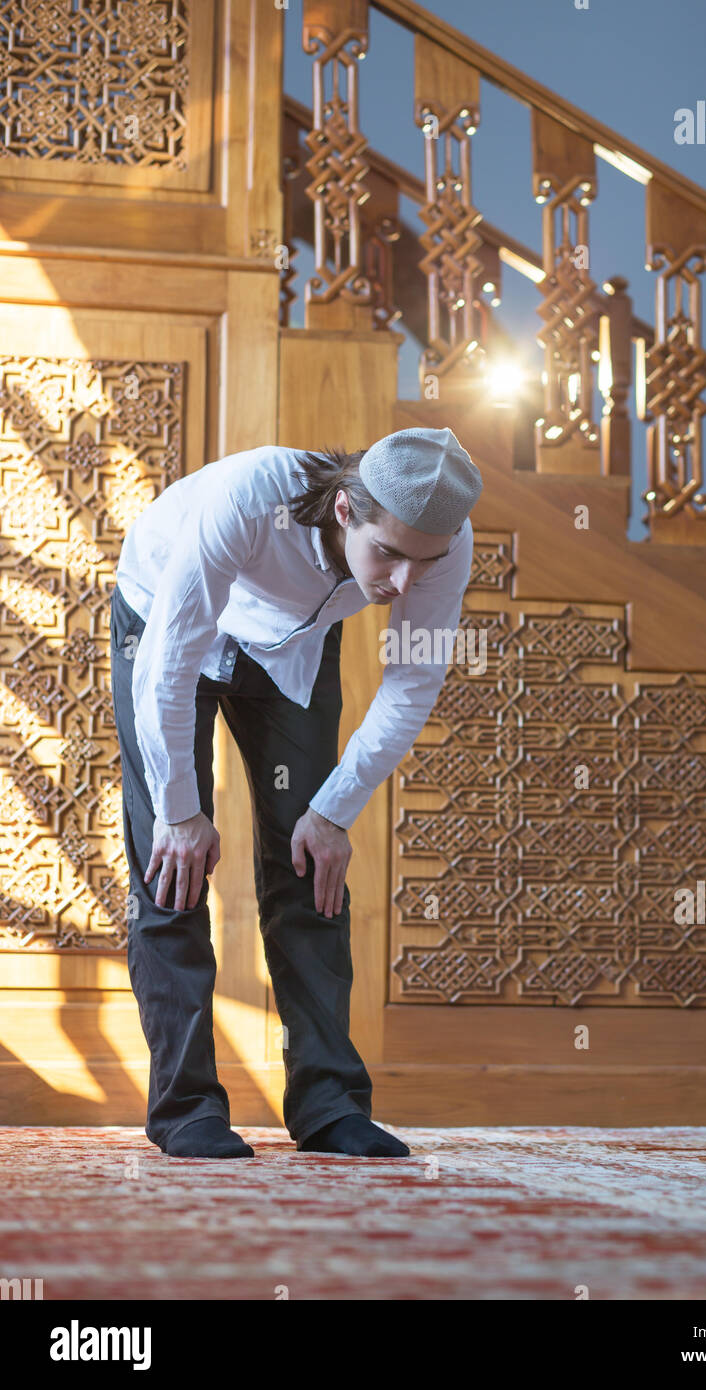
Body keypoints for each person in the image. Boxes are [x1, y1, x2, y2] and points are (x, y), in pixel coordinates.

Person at [109, 427, 482, 1159]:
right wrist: (183, 811)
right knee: (172, 867)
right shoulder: (248, 500)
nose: (404, 582)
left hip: (293, 649)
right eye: (391, 555)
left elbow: (412, 684)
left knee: (314, 864)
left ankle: (329, 1105)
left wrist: (333, 809)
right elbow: (168, 667)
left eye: (425, 561)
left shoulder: (443, 540)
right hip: (165, 624)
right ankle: (187, 1110)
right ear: (345, 510)